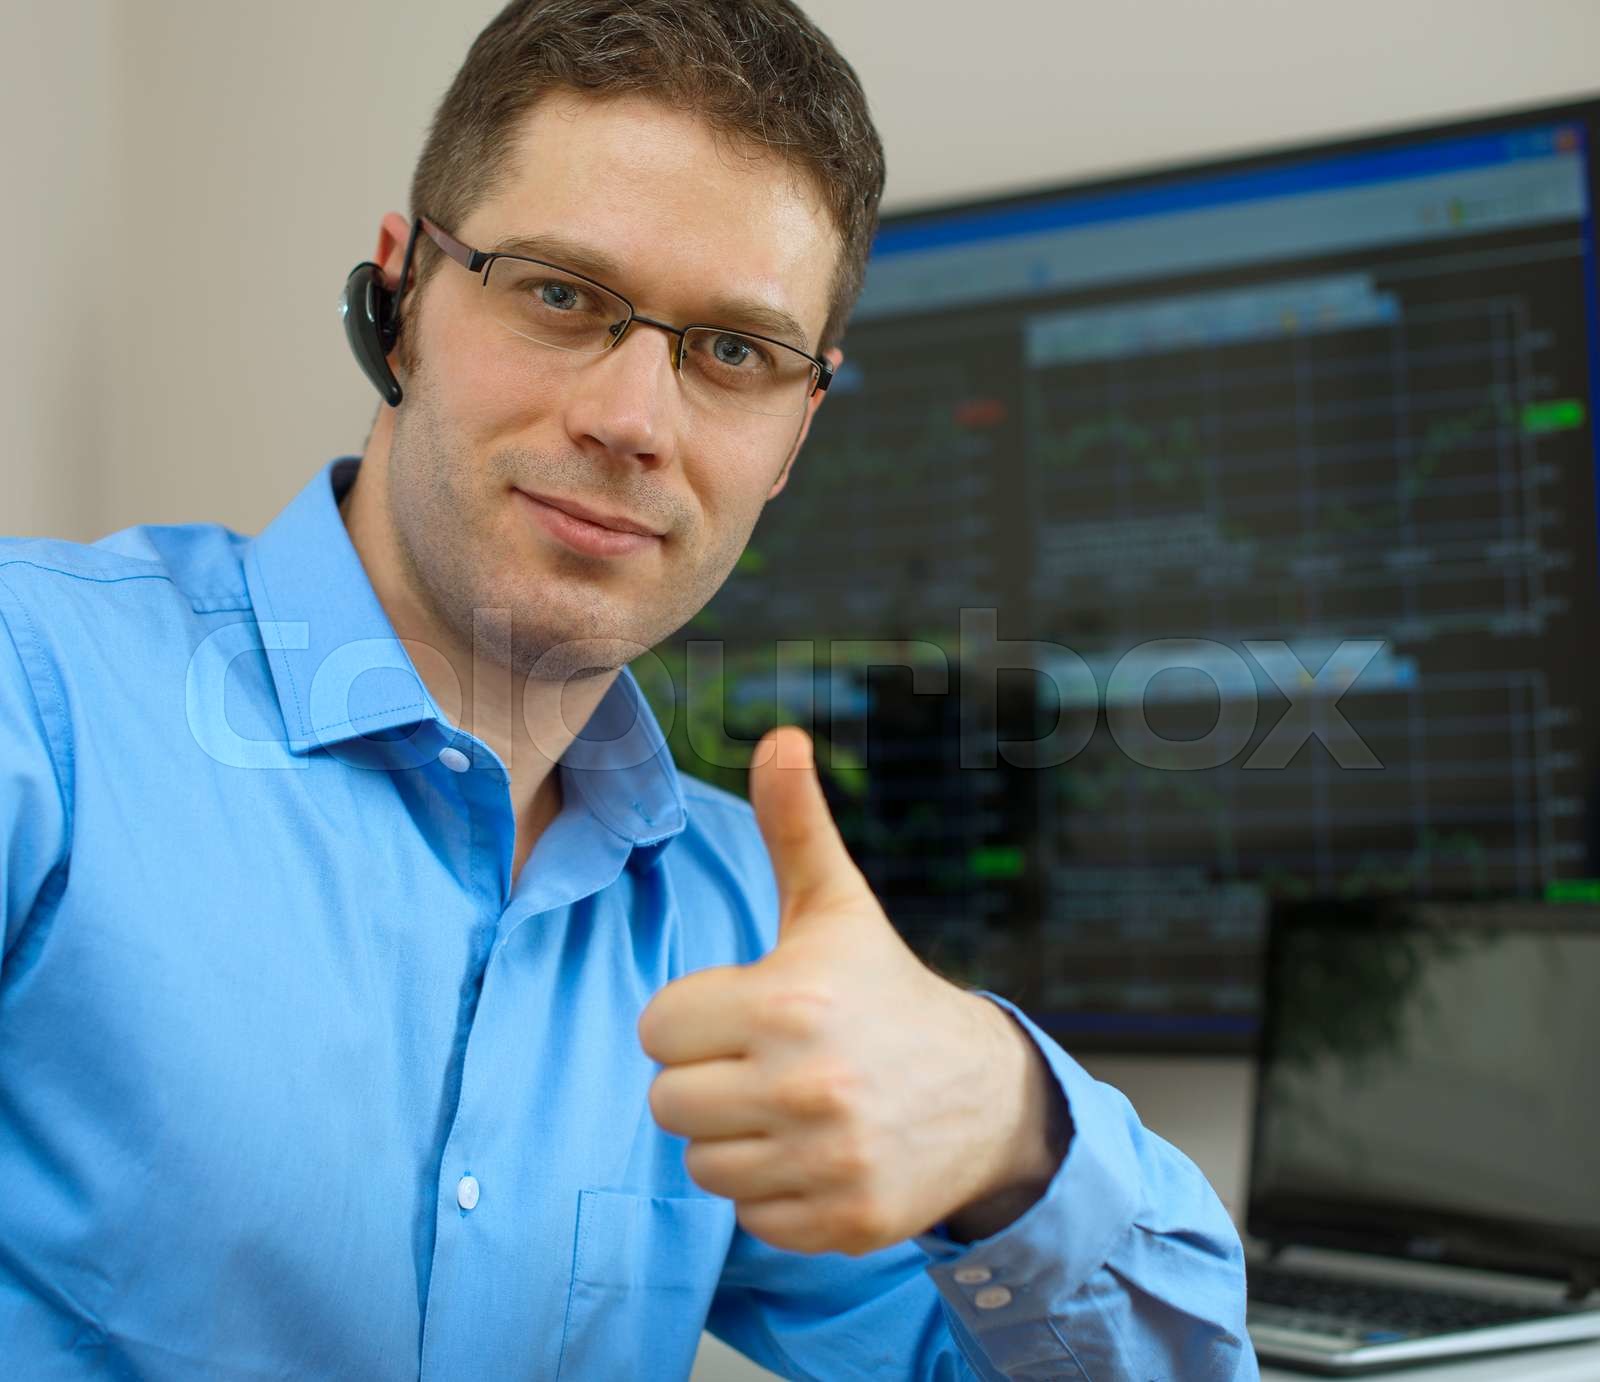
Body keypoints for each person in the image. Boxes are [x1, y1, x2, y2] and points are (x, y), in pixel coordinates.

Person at [0, 1, 1255, 1377]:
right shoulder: (38, 700)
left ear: (797, 434)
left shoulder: (742, 926)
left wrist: (1012, 1123)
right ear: (401, 299)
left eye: (735, 352)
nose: (632, 422)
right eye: (560, 294)